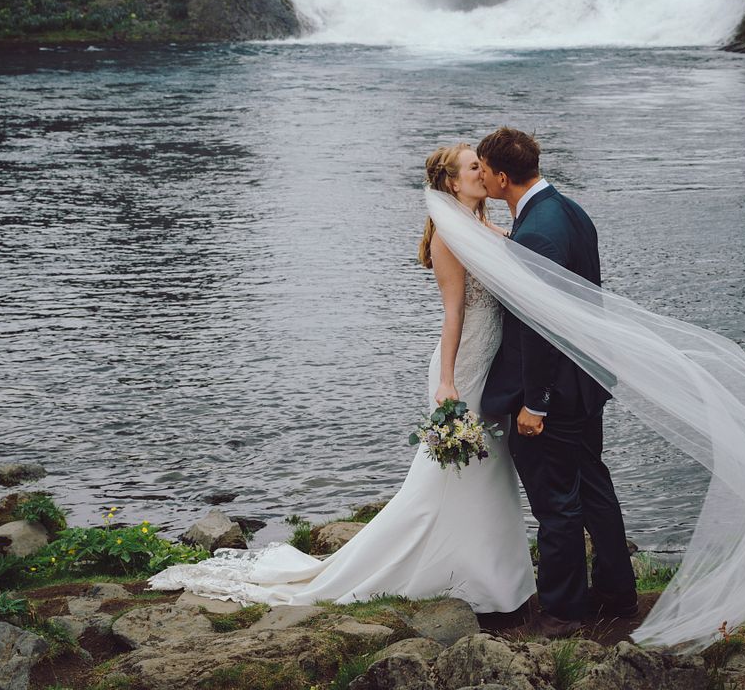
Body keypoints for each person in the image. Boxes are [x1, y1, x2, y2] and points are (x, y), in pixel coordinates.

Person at [147, 143, 536, 614]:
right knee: (452, 477)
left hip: (490, 365)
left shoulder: (481, 227)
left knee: (487, 474)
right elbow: (453, 315)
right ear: (453, 182)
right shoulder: (447, 237)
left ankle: (490, 579)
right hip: (465, 366)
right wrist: (447, 382)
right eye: (474, 166)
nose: (484, 171)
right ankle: (455, 578)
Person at [476, 127, 637, 637]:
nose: (478, 176)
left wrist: (536, 405)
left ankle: (563, 612)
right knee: (593, 488)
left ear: (502, 177)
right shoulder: (568, 209)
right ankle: (616, 593)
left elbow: (540, 330)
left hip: (556, 393)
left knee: (556, 502)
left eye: (482, 169)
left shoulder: (537, 234)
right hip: (587, 380)